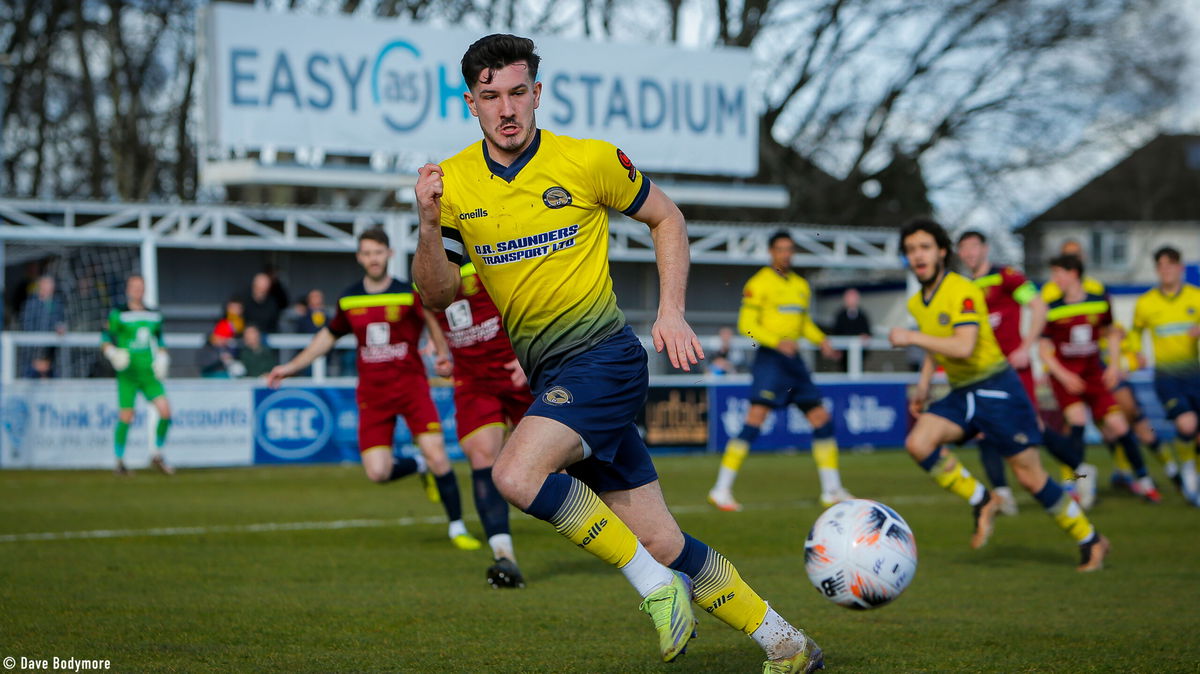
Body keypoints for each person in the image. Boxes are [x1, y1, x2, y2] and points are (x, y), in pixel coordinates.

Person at [412, 34, 822, 672]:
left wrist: (671, 311)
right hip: (554, 376)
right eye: (490, 97)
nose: (507, 108)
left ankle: (653, 588)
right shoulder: (456, 184)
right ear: (472, 104)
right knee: (661, 539)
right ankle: (785, 642)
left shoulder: (588, 160)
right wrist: (430, 224)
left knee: (515, 475)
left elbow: (668, 218)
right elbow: (437, 293)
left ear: (538, 93)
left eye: (518, 92)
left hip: (605, 358)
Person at [888, 219, 1108, 571]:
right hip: (963, 392)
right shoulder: (918, 302)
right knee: (918, 442)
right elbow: (937, 345)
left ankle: (1091, 539)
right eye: (911, 249)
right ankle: (981, 500)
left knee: (1030, 477)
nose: (918, 255)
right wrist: (925, 383)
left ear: (942, 252)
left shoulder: (962, 289)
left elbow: (963, 345)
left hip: (998, 388)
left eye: (925, 247)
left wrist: (911, 338)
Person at [266, 227, 482, 551]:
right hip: (373, 396)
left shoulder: (409, 293)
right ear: (359, 257)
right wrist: (290, 367)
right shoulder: (349, 299)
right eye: (367, 253)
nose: (373, 259)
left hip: (411, 389)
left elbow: (433, 322)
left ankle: (457, 527)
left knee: (440, 456)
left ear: (389, 254)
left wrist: (441, 352)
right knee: (378, 472)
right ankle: (418, 465)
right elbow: (326, 338)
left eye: (378, 252)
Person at [708, 230, 853, 513]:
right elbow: (746, 325)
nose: (786, 254)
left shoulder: (800, 285)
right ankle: (721, 488)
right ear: (771, 252)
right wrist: (776, 342)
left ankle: (831, 490)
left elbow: (803, 324)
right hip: (771, 359)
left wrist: (821, 340)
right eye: (781, 249)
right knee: (755, 419)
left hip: (794, 361)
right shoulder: (758, 283)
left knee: (821, 418)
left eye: (790, 249)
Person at [955, 230, 1079, 515]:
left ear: (985, 249)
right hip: (982, 372)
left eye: (974, 246)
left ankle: (1081, 471)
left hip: (1014, 369)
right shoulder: (962, 287)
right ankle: (1002, 493)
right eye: (964, 248)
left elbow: (1039, 307)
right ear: (960, 254)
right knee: (984, 430)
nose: (970, 252)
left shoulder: (1006, 276)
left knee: (1033, 428)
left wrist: (1026, 346)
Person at [425, 263, 533, 588]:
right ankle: (504, 556)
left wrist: (530, 353)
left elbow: (528, 300)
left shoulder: (488, 253)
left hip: (517, 371)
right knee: (482, 457)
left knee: (565, 464)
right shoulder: (427, 274)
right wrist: (443, 352)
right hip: (473, 382)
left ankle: (637, 541)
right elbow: (433, 316)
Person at [1039, 254, 1160, 503]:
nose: (1055, 279)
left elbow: (1112, 335)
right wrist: (1064, 375)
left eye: (1058, 273)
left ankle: (1145, 481)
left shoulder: (1099, 302)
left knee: (1119, 426)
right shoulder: (1052, 308)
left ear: (1073, 273)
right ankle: (1076, 485)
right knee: (1077, 420)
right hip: (1066, 378)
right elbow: (1043, 350)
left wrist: (1114, 366)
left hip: (1094, 375)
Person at [1132, 246, 1200, 506]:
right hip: (1166, 376)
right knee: (1186, 424)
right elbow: (1135, 333)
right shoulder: (1146, 303)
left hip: (1195, 373)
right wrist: (1136, 353)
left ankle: (1194, 474)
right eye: (1161, 265)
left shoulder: (1196, 297)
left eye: (1170, 264)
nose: (1166, 270)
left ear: (1180, 268)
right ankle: (1188, 470)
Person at [100, 274, 173, 476]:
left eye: (140, 286)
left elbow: (161, 341)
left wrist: (163, 358)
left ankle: (157, 454)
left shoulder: (154, 315)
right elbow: (105, 337)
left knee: (166, 412)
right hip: (128, 374)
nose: (137, 290)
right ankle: (119, 462)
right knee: (126, 416)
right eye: (134, 286)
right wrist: (112, 352)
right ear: (128, 289)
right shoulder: (119, 313)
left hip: (149, 374)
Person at [19, 275, 67, 378]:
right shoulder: (31, 304)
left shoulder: (58, 304)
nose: (50, 287)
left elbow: (62, 322)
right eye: (47, 284)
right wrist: (36, 360)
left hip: (51, 360)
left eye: (51, 285)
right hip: (32, 359)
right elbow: (26, 329)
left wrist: (61, 328)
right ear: (40, 285)